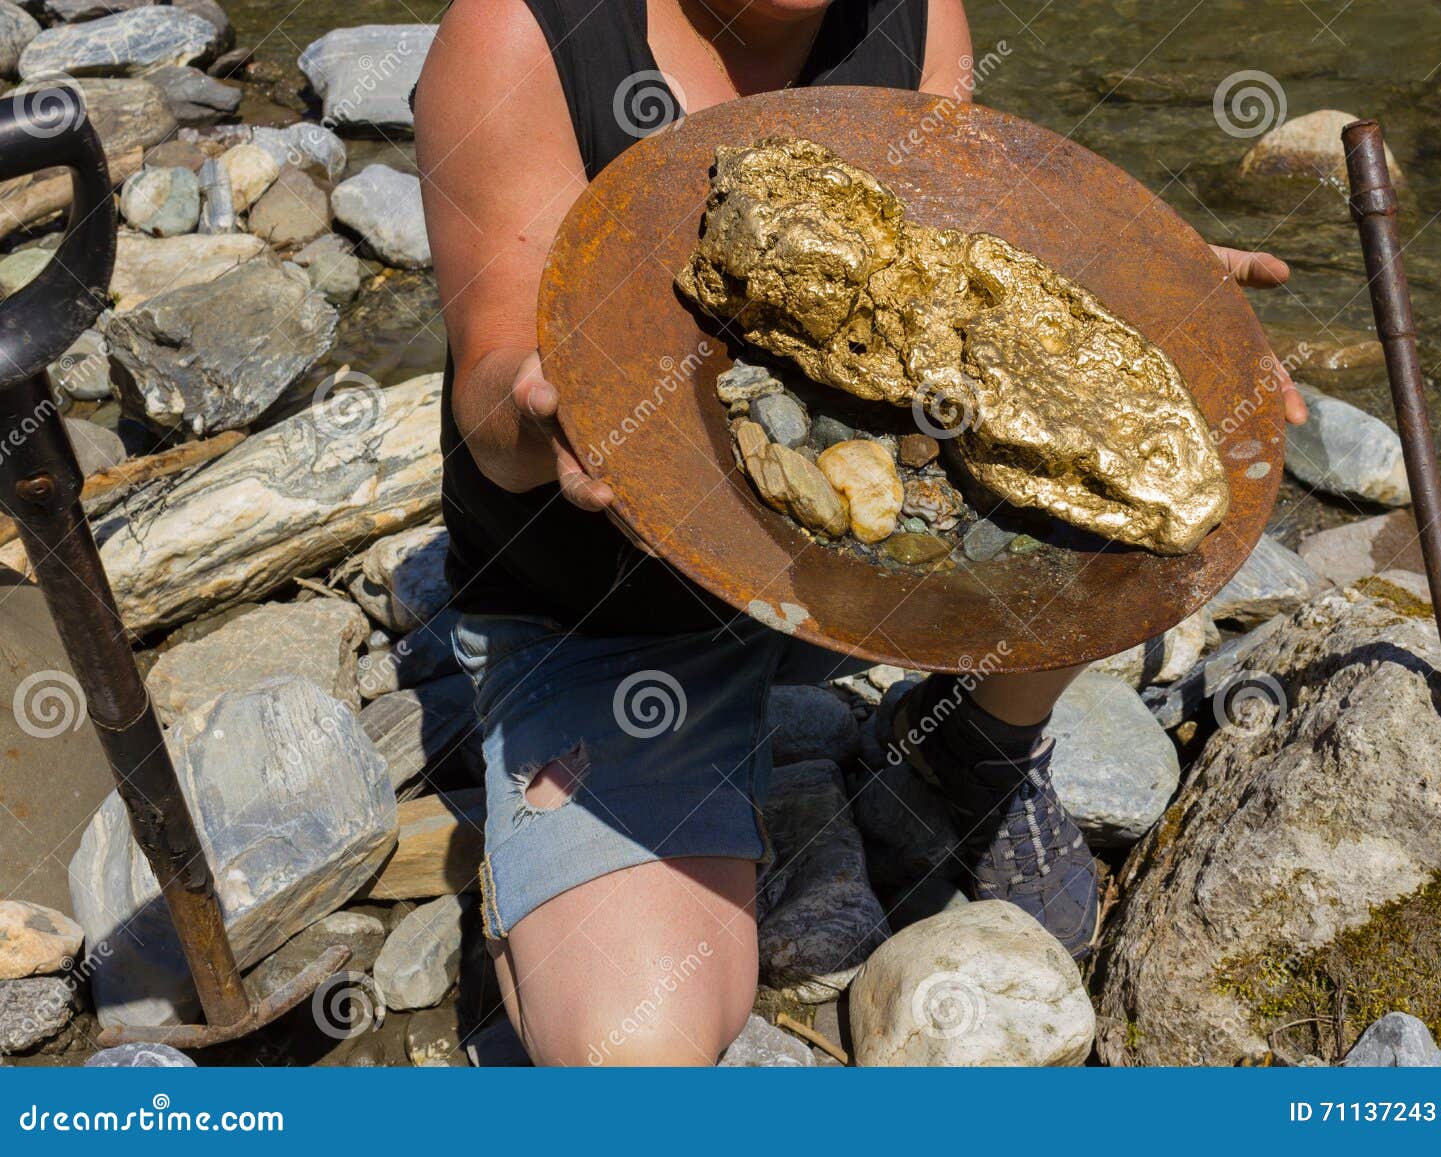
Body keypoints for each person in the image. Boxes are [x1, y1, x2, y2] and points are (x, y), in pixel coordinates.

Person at [414, 0, 1306, 1066]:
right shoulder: (523, 27)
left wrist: (1111, 294)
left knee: (1137, 488)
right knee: (629, 1050)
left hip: (861, 561)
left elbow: (945, 265)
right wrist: (545, 411)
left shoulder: (913, 15)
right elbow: (492, 414)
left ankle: (972, 743)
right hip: (607, 611)